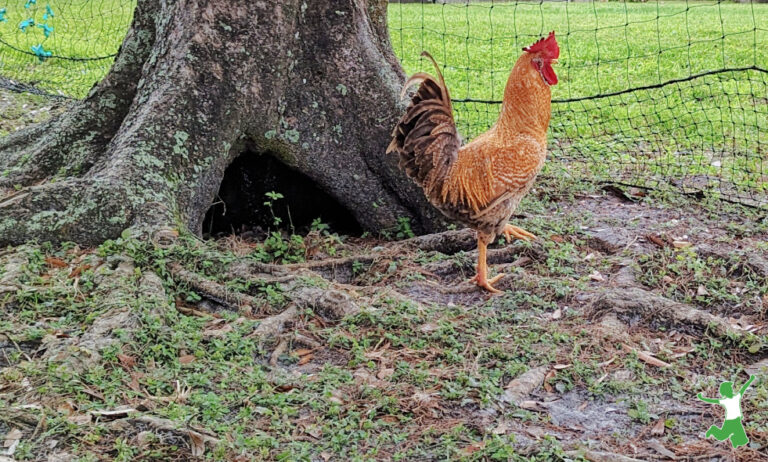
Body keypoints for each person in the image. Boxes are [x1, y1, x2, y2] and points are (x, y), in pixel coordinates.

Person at [697, 375, 755, 448]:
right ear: (725, 392)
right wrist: (701, 398)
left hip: (737, 421)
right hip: (730, 422)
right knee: (722, 436)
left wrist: (750, 380)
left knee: (742, 438)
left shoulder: (736, 397)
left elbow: (744, 388)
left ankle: (739, 448)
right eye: (729, 389)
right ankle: (713, 430)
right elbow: (712, 400)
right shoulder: (724, 401)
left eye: (731, 389)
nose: (731, 390)